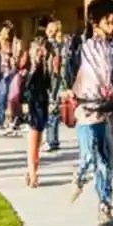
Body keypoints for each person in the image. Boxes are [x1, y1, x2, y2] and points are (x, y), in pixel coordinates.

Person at [63, 0, 113, 226]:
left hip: (108, 109)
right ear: (96, 22)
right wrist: (67, 89)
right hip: (86, 108)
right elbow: (67, 70)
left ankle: (104, 203)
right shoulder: (81, 45)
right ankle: (79, 176)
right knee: (89, 155)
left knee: (105, 160)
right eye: (110, 22)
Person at [23, 33, 53, 186]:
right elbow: (26, 86)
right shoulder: (29, 66)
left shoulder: (45, 66)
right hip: (33, 104)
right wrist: (34, 65)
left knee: (38, 140)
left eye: (43, 50)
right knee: (33, 140)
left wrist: (47, 64)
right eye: (38, 50)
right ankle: (33, 173)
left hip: (43, 103)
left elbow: (48, 84)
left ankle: (30, 171)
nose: (41, 53)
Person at [0, 21, 24, 135]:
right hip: (1, 74)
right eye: (5, 31)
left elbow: (16, 59)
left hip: (11, 73)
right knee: (0, 98)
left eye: (9, 32)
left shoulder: (13, 45)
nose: (7, 34)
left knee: (11, 97)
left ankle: (10, 121)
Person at [44, 19, 65, 152]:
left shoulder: (52, 46)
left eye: (52, 30)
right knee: (54, 110)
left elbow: (54, 66)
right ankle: (53, 140)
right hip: (54, 80)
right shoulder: (59, 45)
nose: (49, 32)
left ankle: (51, 141)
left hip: (52, 81)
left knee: (51, 109)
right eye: (48, 29)